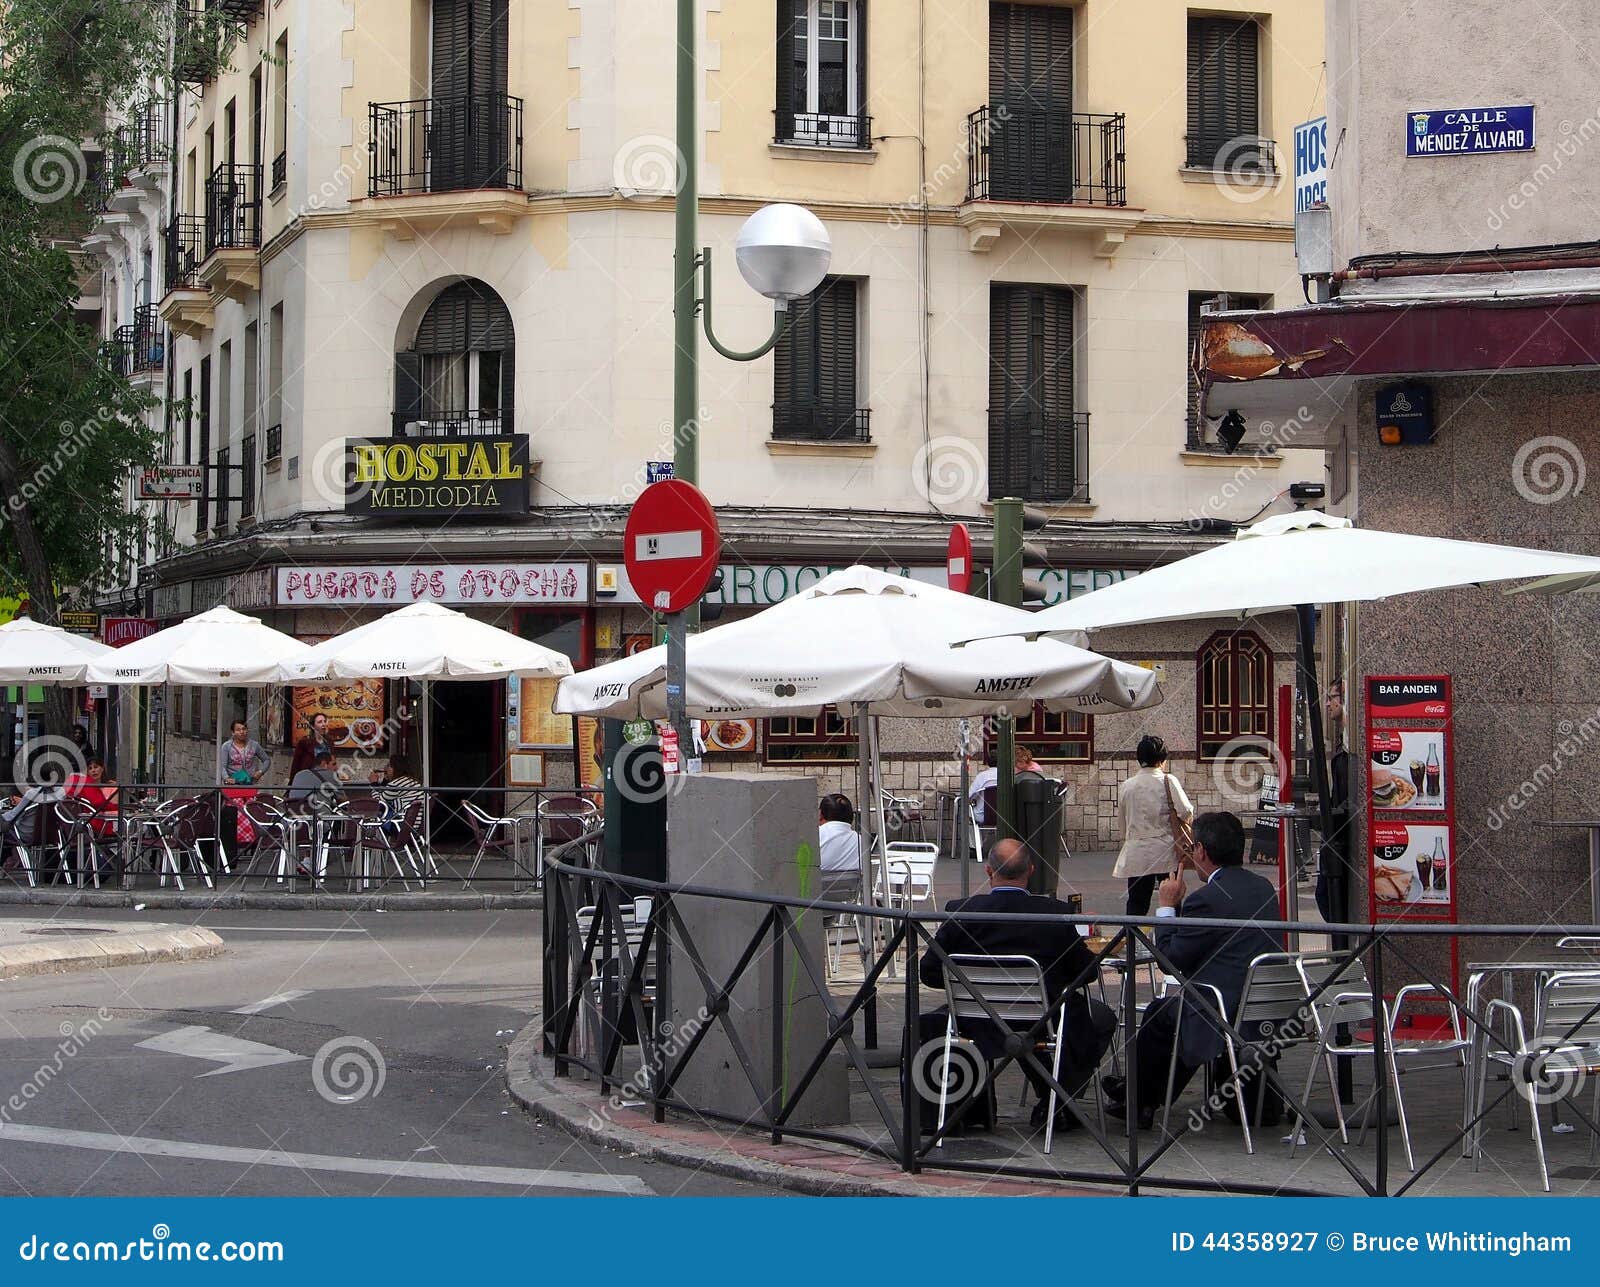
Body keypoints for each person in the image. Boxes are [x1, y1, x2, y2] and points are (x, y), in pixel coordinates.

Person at [918, 838, 1116, 1132]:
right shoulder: (1052, 914)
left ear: (988, 871)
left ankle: (1045, 1100)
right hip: (1041, 1021)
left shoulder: (961, 912)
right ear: (1031, 870)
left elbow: (929, 973)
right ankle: (1057, 1101)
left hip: (974, 1022)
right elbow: (1085, 974)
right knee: (1100, 1018)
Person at [1102, 811, 1281, 1129]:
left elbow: (1170, 960)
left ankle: (1141, 1099)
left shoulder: (1208, 899)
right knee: (1178, 1010)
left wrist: (1168, 907)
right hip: (1262, 1006)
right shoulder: (1262, 888)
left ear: (1201, 851)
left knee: (1162, 1014)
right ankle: (1137, 1092)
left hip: (1223, 1007)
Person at [1112, 734, 1194, 918]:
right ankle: (1170, 940)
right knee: (1172, 900)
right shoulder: (1168, 781)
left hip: (1136, 851)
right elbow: (1186, 811)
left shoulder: (1127, 785)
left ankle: (1132, 940)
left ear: (1139, 758)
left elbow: (1123, 824)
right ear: (1162, 758)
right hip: (1166, 851)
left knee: (1136, 902)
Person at [1317, 679, 1352, 924]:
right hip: (1337, 836)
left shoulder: (1350, 748)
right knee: (1325, 895)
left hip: (1344, 837)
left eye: (1332, 697)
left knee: (1328, 896)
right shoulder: (1343, 744)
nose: (1327, 703)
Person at [370, 753, 425, 828]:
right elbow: (385, 794)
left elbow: (378, 804)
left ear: (396, 768)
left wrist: (373, 783)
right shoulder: (410, 781)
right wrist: (385, 780)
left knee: (373, 820)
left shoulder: (395, 784)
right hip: (415, 824)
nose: (385, 768)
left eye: (389, 766)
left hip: (402, 825)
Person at [287, 746, 345, 813]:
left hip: (293, 818)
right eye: (333, 764)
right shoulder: (331, 775)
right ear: (324, 764)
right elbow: (343, 801)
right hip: (319, 818)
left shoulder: (299, 774)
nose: (336, 768)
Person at [817, 792, 862, 875]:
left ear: (820, 815)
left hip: (815, 887)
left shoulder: (815, 836)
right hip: (852, 887)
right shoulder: (860, 841)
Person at [217, 719, 271, 786]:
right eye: (238, 730)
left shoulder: (254, 745)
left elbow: (267, 760)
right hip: (233, 784)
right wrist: (227, 778)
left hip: (250, 783)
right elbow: (222, 766)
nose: (242, 732)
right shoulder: (226, 746)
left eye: (244, 729)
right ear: (233, 732)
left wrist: (260, 772)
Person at [289, 711, 333, 778]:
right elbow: (296, 764)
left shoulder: (329, 742)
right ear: (313, 726)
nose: (323, 724)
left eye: (324, 721)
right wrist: (292, 783)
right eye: (320, 722)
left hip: (325, 778)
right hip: (308, 778)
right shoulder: (304, 742)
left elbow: (332, 762)